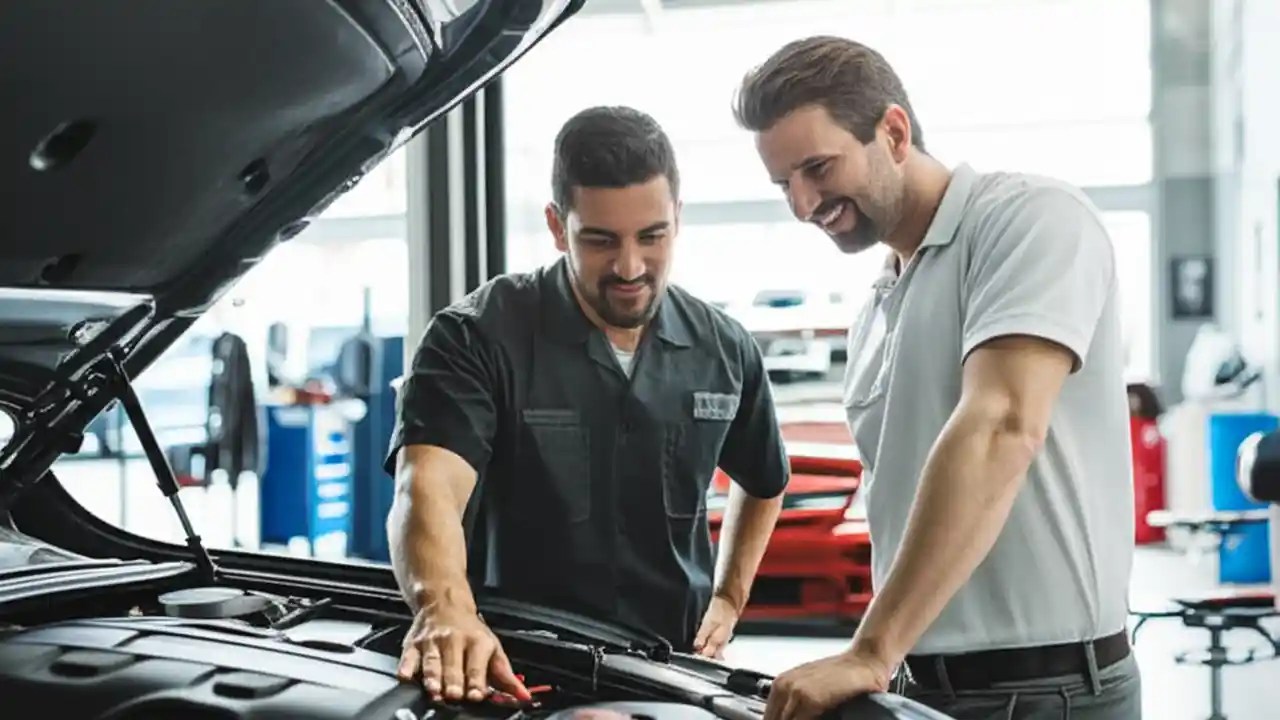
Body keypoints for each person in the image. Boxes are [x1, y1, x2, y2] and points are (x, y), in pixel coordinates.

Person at [731, 36, 1141, 720]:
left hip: (1049, 695)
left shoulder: (1027, 221)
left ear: (893, 131)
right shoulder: (874, 312)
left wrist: (870, 650)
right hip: (918, 685)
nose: (803, 205)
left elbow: (1001, 428)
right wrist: (881, 660)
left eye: (818, 168)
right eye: (784, 185)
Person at [385, 105, 789, 706]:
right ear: (556, 225)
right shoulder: (476, 337)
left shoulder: (725, 347)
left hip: (670, 679)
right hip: (519, 676)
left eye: (652, 236)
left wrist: (729, 597)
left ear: (678, 218)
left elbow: (764, 481)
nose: (630, 267)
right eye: (600, 241)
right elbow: (428, 489)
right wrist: (444, 609)